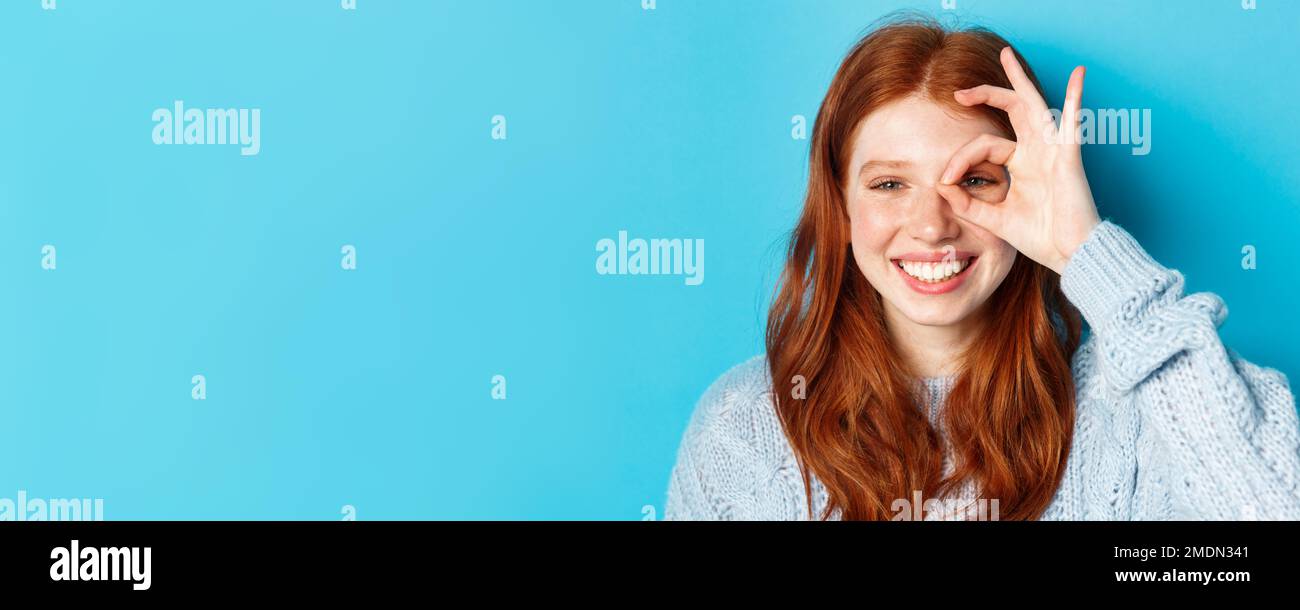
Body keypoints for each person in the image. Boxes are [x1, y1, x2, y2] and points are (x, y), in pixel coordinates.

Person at [663, 16, 1300, 521]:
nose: (933, 225)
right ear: (841, 204)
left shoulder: (1131, 413)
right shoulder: (746, 426)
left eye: (974, 180)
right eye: (888, 184)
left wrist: (1087, 249)